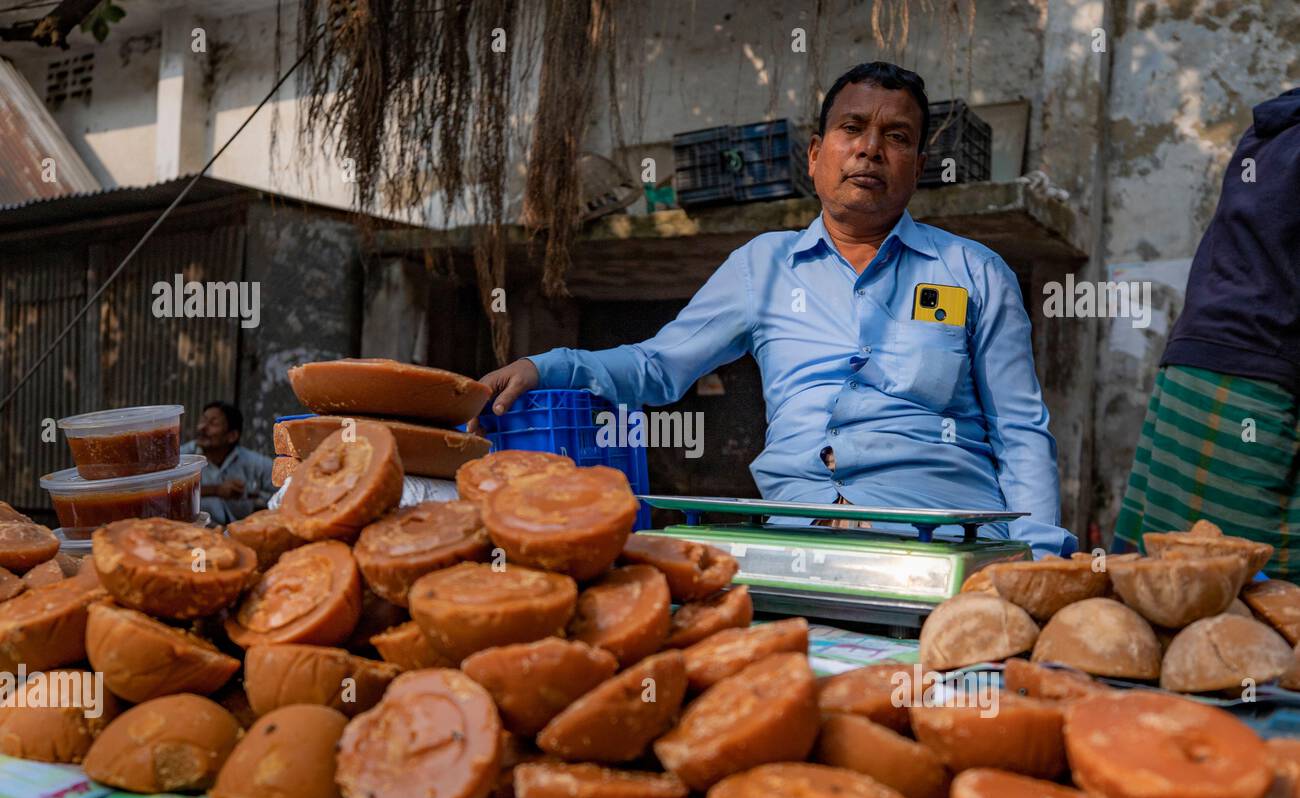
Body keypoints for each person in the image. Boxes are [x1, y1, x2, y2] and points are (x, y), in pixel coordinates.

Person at [474, 61, 1074, 557]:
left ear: (917, 169)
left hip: (945, 541)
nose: (869, 149)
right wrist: (546, 367)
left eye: (896, 137)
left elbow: (1020, 430)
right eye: (852, 128)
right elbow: (660, 366)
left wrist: (1041, 560)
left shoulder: (975, 273)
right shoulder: (763, 266)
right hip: (798, 541)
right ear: (815, 155)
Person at [1113, 87, 1300, 580]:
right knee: (1250, 598)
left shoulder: (1271, 130)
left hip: (1197, 371)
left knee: (1164, 583)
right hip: (1253, 382)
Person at [180, 401, 274, 525]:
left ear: (232, 436)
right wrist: (216, 490)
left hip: (242, 534)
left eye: (213, 423)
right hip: (195, 533)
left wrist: (256, 498)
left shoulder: (255, 464)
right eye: (203, 420)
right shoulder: (182, 458)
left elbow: (285, 490)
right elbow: (166, 490)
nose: (202, 427)